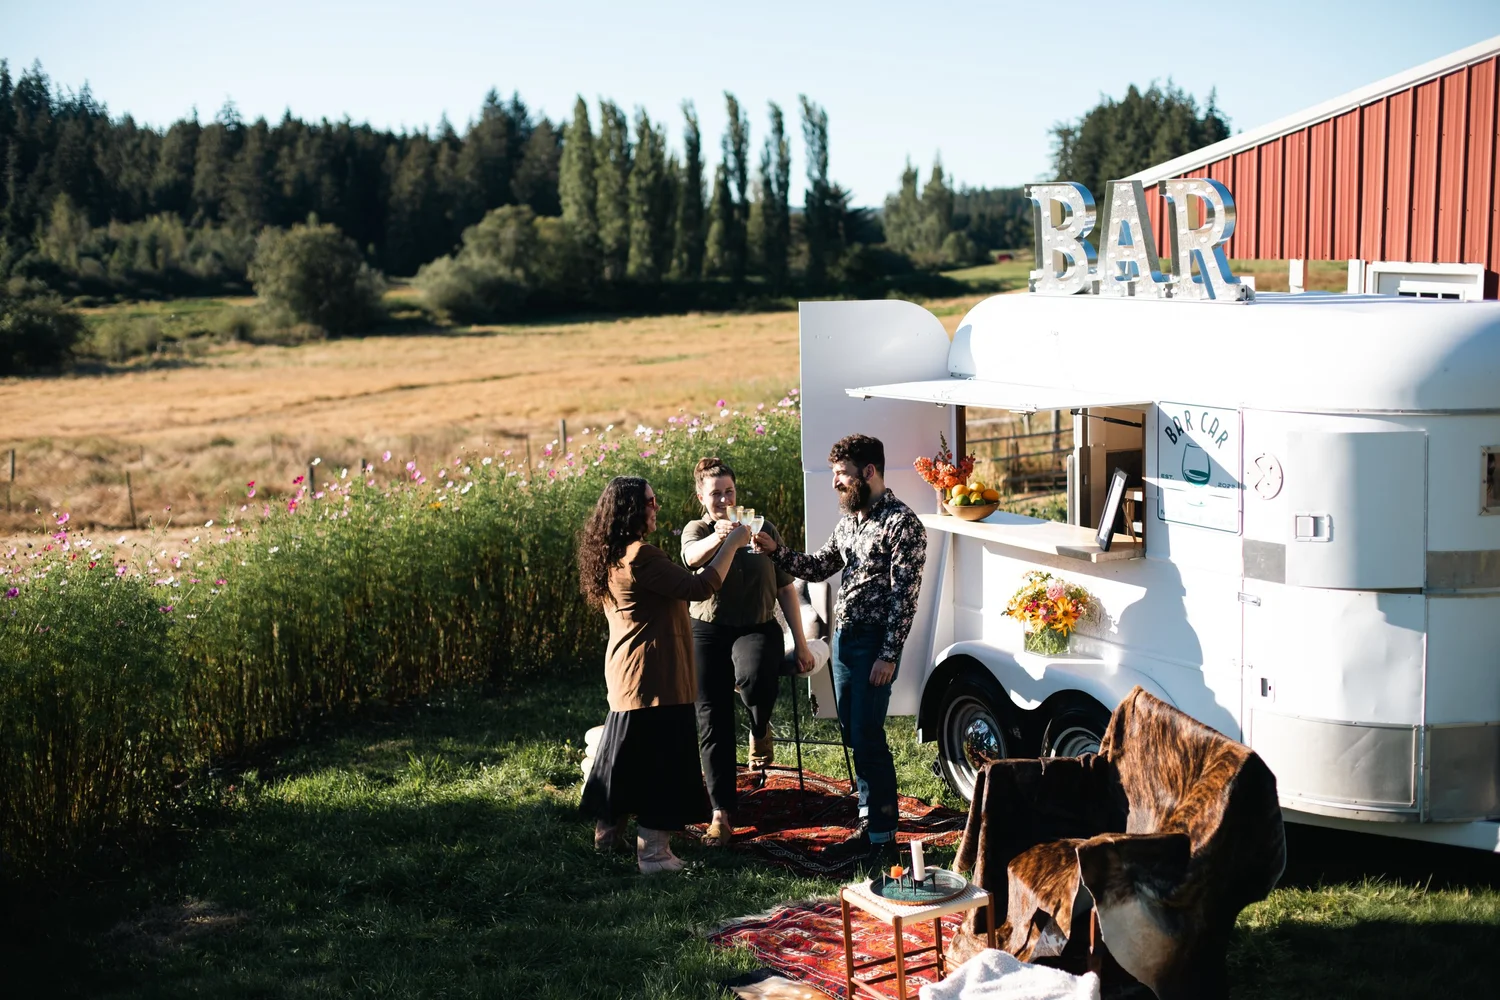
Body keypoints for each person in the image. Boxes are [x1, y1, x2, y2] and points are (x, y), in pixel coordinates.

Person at [753, 434, 927, 875]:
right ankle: (869, 824)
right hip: (847, 639)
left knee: (868, 736)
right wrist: (778, 553)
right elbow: (820, 565)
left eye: (841, 475)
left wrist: (888, 655)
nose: (835, 484)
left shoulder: (902, 525)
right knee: (854, 734)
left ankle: (883, 839)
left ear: (868, 472)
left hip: (875, 645)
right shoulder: (852, 520)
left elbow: (904, 599)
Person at [577, 475, 750, 874]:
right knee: (661, 764)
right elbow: (702, 586)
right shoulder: (641, 556)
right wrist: (732, 543)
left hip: (626, 673)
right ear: (632, 510)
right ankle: (654, 855)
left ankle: (607, 839)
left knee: (623, 761)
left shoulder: (612, 553)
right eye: (650, 503)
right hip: (655, 675)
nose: (657, 508)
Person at [680, 457, 818, 847]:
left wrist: (802, 643)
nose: (724, 500)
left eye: (730, 492)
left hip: (758, 627)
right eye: (715, 494)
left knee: (756, 678)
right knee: (711, 715)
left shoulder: (763, 528)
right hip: (708, 629)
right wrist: (724, 538)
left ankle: (760, 727)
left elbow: (785, 588)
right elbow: (690, 558)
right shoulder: (697, 529)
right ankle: (721, 813)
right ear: (700, 498)